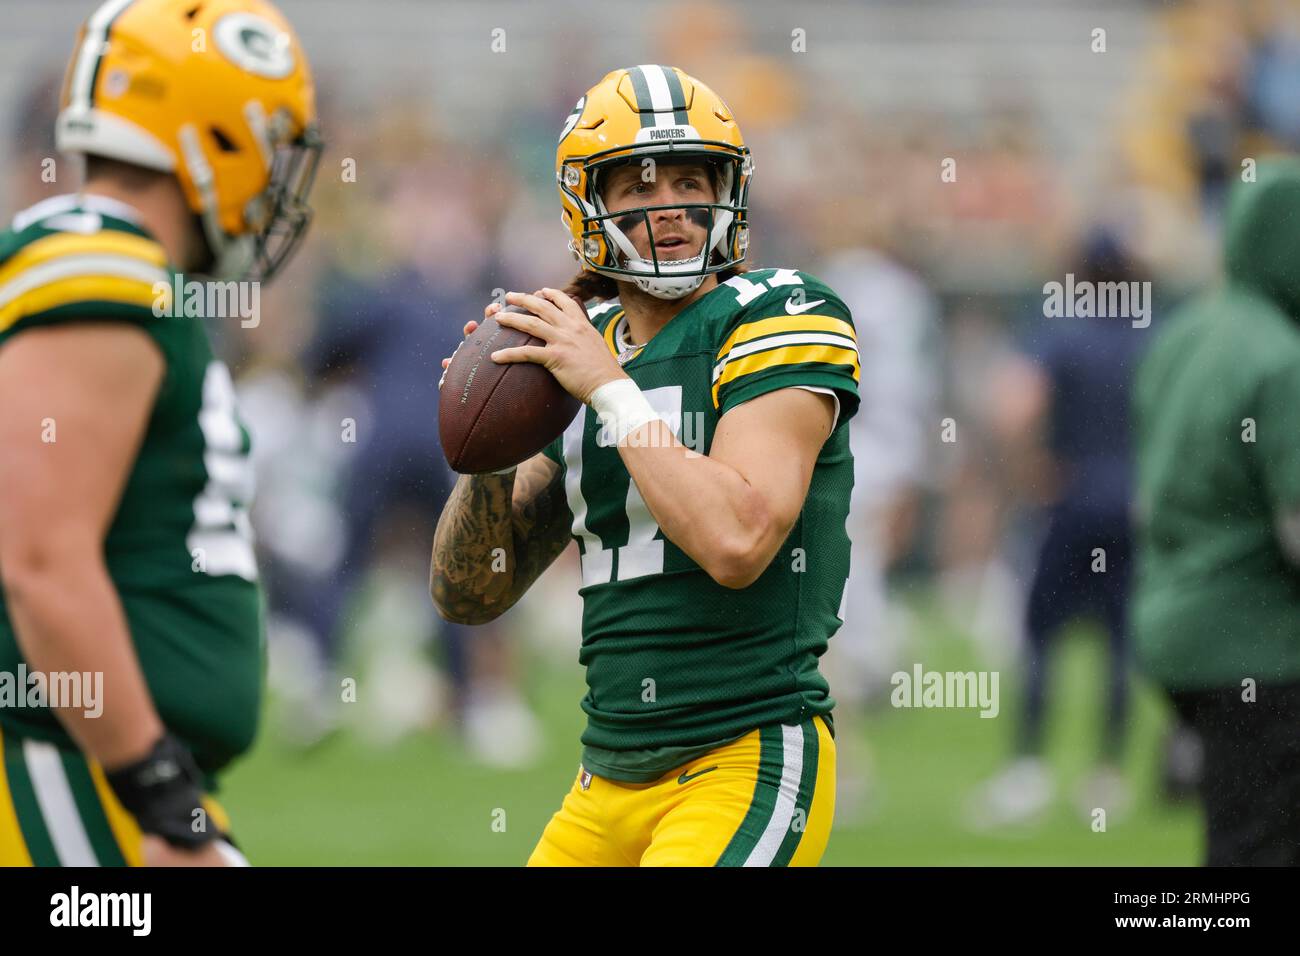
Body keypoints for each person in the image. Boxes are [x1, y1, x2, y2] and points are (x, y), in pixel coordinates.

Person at [431, 66, 861, 866]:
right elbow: (470, 592)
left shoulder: (779, 312)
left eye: (691, 180)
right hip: (606, 778)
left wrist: (608, 387)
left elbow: (738, 540)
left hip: (743, 758)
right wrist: (488, 448)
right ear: (587, 207)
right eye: (636, 188)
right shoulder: (574, 348)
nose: (670, 209)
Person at [0, 0, 320, 866]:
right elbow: (39, 558)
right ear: (215, 137)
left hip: (108, 770)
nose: (275, 179)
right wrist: (156, 788)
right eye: (270, 144)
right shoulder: (95, 266)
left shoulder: (133, 275)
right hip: (65, 770)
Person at [1133, 157, 1300, 866]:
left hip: (1176, 624)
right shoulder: (1281, 356)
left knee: (1236, 840)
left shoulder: (1186, 333)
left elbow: (1147, 499)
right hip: (1259, 645)